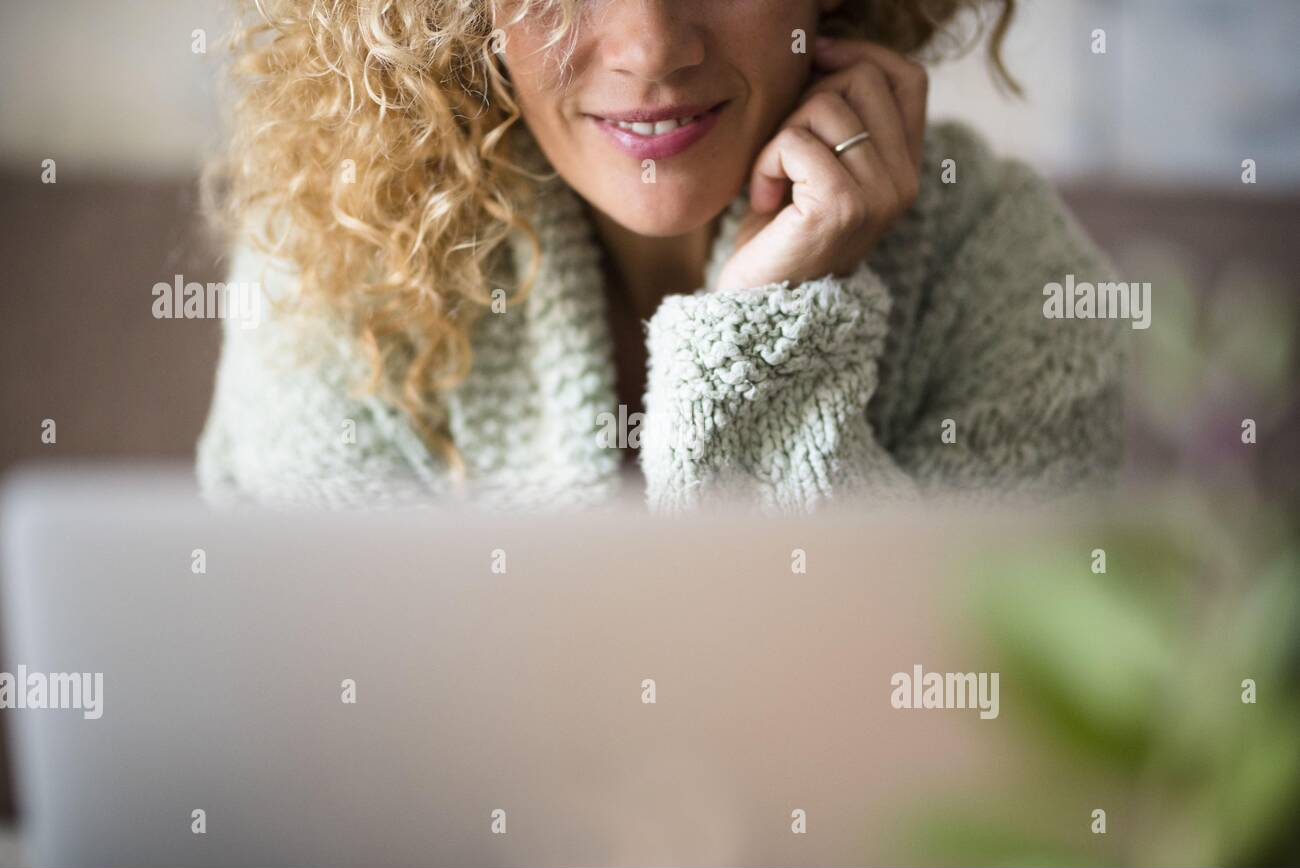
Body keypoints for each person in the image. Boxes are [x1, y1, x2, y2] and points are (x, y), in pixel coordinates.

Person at [197, 0, 1124, 512]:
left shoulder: (1007, 270)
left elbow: (960, 769)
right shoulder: (344, 248)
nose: (651, 48)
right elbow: (329, 735)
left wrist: (770, 342)